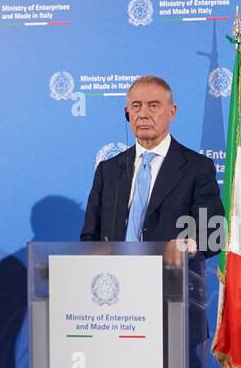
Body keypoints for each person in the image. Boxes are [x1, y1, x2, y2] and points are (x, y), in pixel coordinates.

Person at [80, 75, 224, 257]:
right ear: (128, 113)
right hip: (115, 279)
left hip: (170, 278)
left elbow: (212, 233)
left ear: (172, 112)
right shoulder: (108, 170)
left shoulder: (197, 168)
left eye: (153, 106)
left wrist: (188, 246)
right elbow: (90, 236)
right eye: (136, 106)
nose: (143, 114)